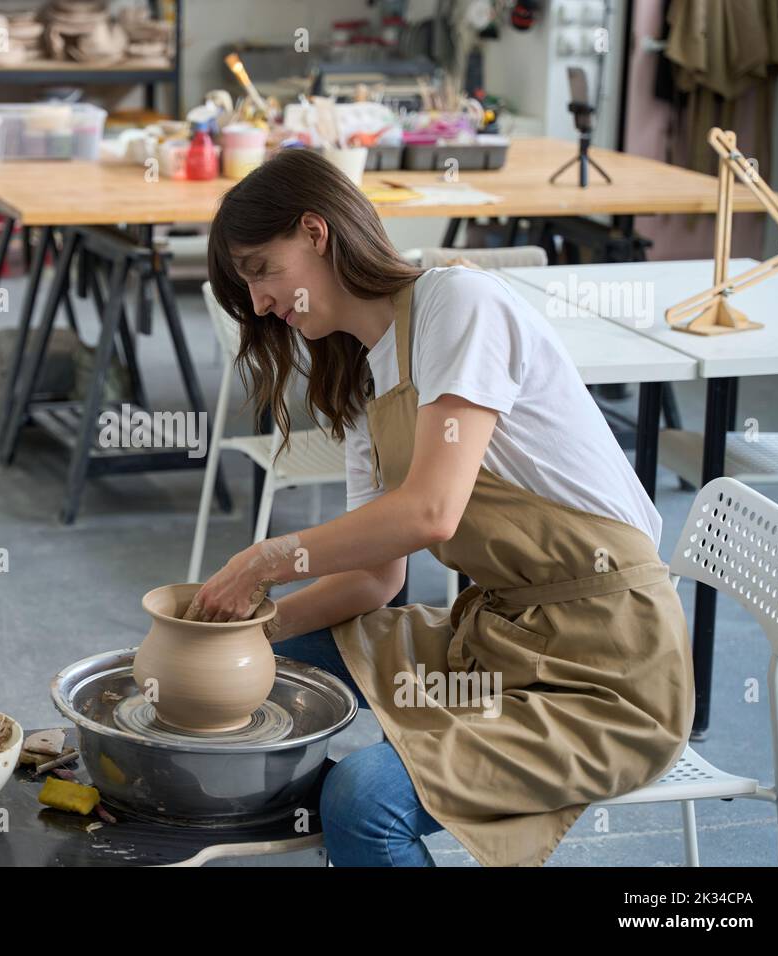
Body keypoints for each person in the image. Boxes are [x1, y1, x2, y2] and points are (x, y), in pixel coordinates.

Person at [186, 147, 695, 867]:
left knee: (362, 799)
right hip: (500, 638)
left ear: (315, 231)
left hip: (610, 667)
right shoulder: (363, 384)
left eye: (263, 269)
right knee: (267, 669)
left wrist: (269, 560)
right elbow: (375, 581)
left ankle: (365, 827)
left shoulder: (459, 304)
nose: (261, 303)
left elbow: (432, 513)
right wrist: (246, 633)